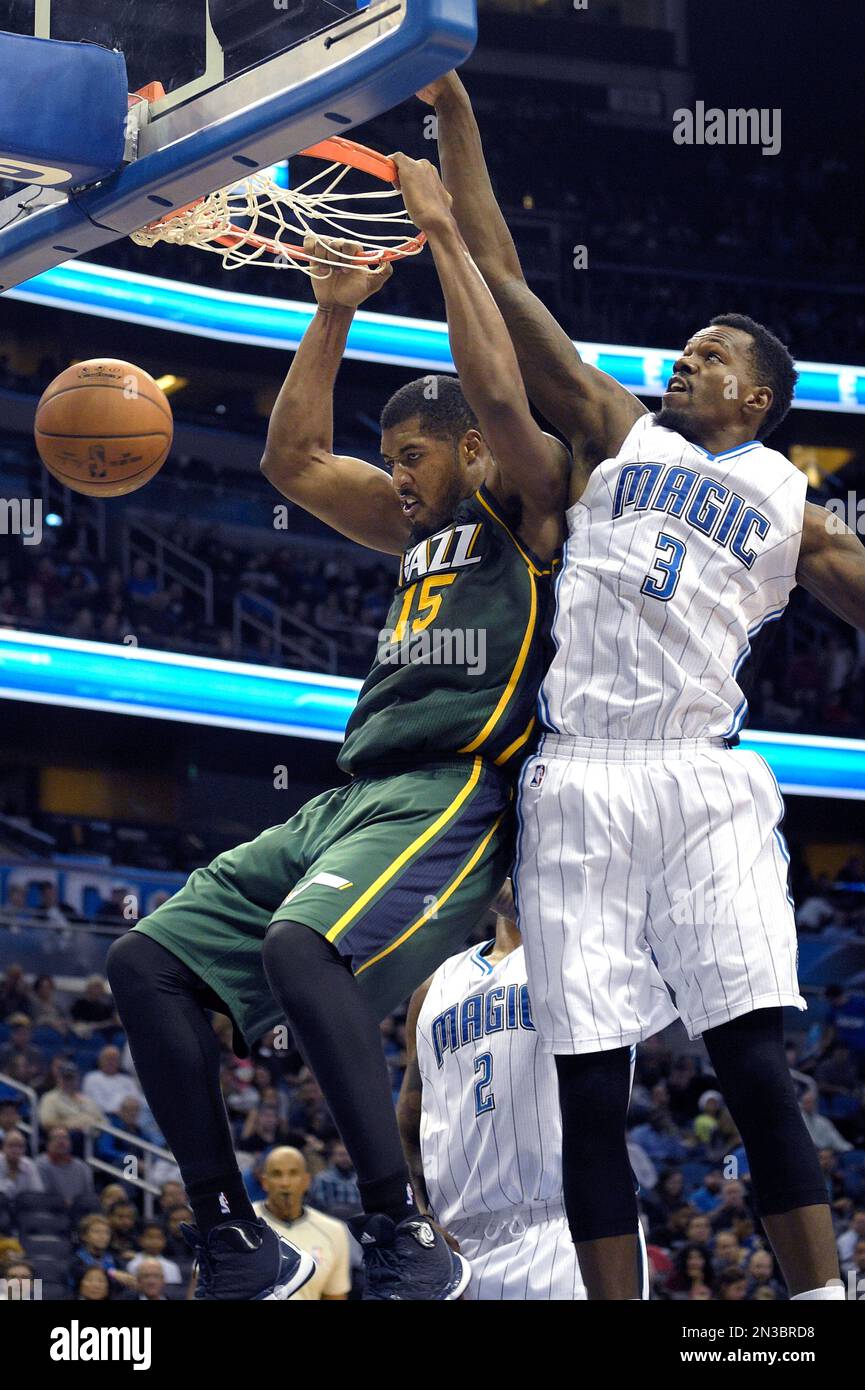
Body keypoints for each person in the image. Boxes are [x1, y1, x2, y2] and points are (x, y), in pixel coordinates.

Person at [423, 67, 858, 1302]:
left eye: (711, 356)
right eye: (687, 344)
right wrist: (455, 122)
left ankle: (818, 1305)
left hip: (701, 779)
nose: (687, 357)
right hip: (579, 780)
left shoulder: (797, 512)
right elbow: (508, 296)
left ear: (759, 400)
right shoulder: (620, 429)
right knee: (586, 1086)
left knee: (755, 1061)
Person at [106, 190, 568, 1300]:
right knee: (146, 961)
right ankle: (229, 1240)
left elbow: (502, 388)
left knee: (298, 947)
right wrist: (332, 311)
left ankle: (400, 1234)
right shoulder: (412, 522)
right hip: (351, 793)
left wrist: (447, 235)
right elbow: (291, 459)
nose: (396, 479)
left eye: (412, 457)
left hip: (455, 792)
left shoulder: (526, 499)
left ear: (469, 446)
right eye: (389, 461)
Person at [398, 879, 593, 1300]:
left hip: (566, 1226)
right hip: (456, 1245)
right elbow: (410, 1116)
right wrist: (419, 1211)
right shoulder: (433, 987)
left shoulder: (589, 952)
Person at [253, 1147, 350, 1302]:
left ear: (306, 1181)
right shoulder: (242, 1225)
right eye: (277, 1174)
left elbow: (335, 1296)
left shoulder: (334, 1231)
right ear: (264, 1182)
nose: (285, 1183)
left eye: (293, 1173)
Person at [35, 1125, 96, 1207]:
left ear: (70, 1143)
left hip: (78, 1212)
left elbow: (88, 1196)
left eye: (65, 1138)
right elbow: (42, 1196)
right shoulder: (40, 1165)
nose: (61, 1142)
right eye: (56, 1138)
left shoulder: (82, 1167)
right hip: (51, 1213)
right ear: (48, 1144)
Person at [38, 1062, 104, 1136]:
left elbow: (103, 1122)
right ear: (58, 1079)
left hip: (92, 1138)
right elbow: (47, 1122)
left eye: (71, 1078)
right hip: (68, 1137)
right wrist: (73, 1125)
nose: (68, 1082)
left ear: (77, 1079)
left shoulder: (87, 1100)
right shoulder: (50, 1098)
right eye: (65, 1078)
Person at [82, 1046, 142, 1115]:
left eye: (114, 1059)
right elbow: (94, 1103)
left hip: (131, 1115)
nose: (111, 1062)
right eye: (108, 1059)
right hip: (106, 1116)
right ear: (100, 1060)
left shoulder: (127, 1080)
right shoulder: (91, 1078)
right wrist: (120, 1110)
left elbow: (137, 1100)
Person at [309, 1141, 361, 1221]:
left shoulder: (360, 1180)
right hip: (329, 1223)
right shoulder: (322, 1179)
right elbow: (316, 1208)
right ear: (332, 1157)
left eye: (348, 1155)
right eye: (341, 1155)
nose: (345, 1158)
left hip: (356, 1224)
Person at [0, 1128, 43, 1198]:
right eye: (11, 1146)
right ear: (3, 1148)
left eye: (19, 1146)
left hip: (23, 1207)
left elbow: (37, 1194)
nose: (15, 1150)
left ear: (24, 1149)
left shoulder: (29, 1165)